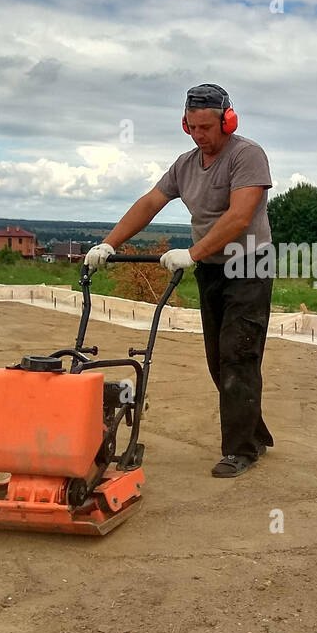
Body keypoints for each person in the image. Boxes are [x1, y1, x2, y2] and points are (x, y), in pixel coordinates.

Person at [86, 84, 275, 478]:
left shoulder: (248, 156)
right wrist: (108, 243)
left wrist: (192, 253)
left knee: (238, 355)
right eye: (192, 127)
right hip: (211, 268)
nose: (200, 135)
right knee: (217, 361)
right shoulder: (185, 164)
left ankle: (240, 450)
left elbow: (240, 217)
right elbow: (151, 202)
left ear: (228, 121)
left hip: (249, 267)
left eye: (207, 127)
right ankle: (253, 433)